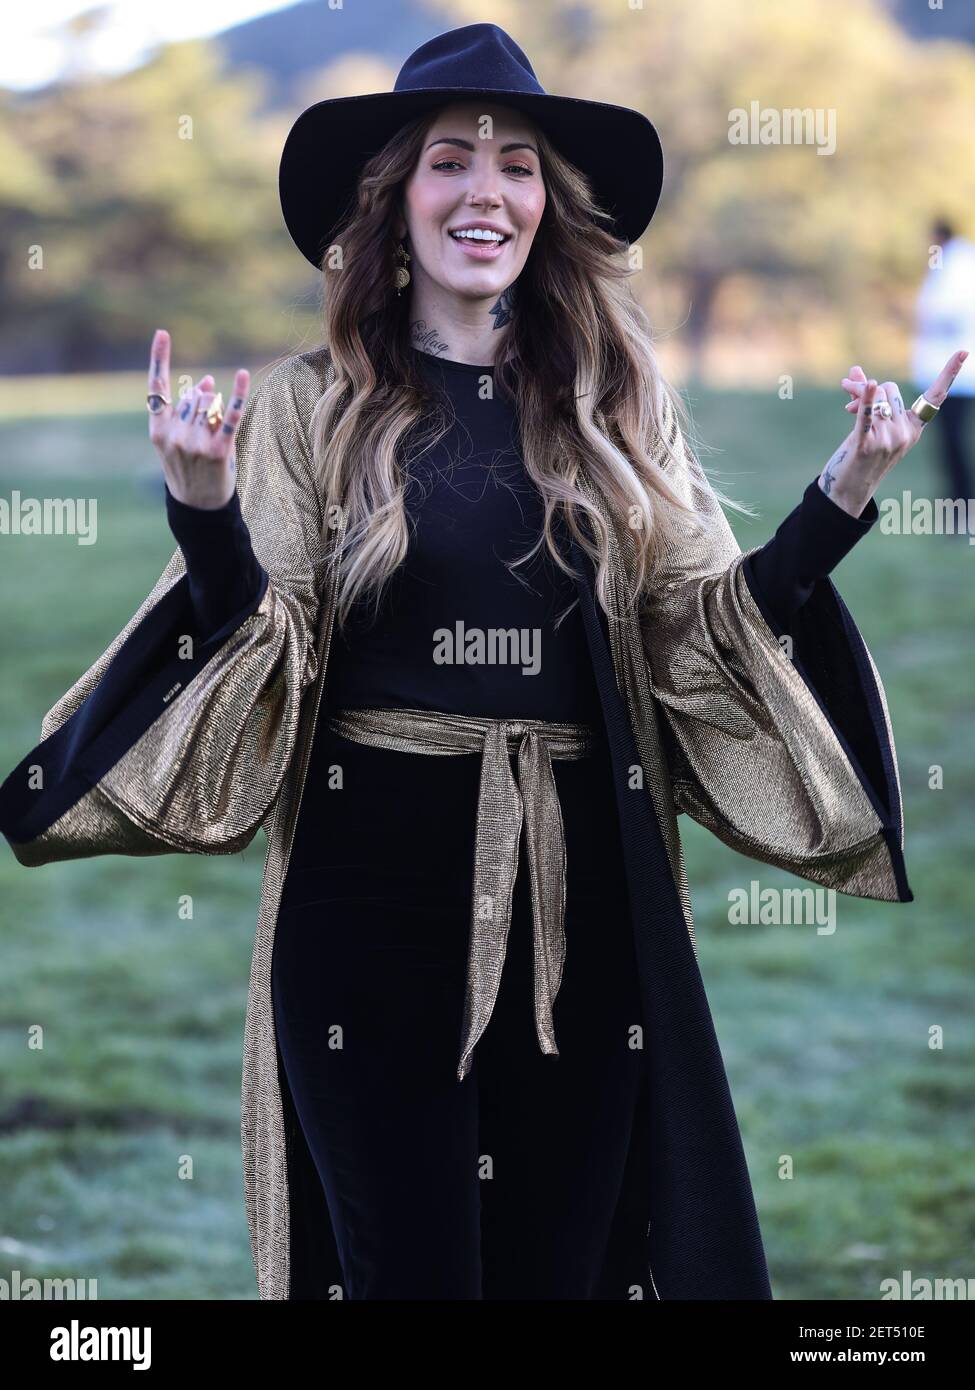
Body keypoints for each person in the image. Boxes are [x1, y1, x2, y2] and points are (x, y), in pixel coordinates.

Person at [0, 23, 967, 1302]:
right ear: (394, 201)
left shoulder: (614, 392)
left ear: (546, 207)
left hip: (593, 909)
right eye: (450, 160)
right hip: (368, 905)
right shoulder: (308, 402)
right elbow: (264, 657)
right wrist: (205, 512)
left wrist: (840, 498)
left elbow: (698, 636)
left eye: (517, 167)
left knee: (567, 1271)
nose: (487, 191)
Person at [911, 216, 975, 504]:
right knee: (951, 448)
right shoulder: (951, 264)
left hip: (958, 378)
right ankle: (959, 507)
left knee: (953, 446)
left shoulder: (957, 266)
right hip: (952, 375)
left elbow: (946, 312)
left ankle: (961, 508)